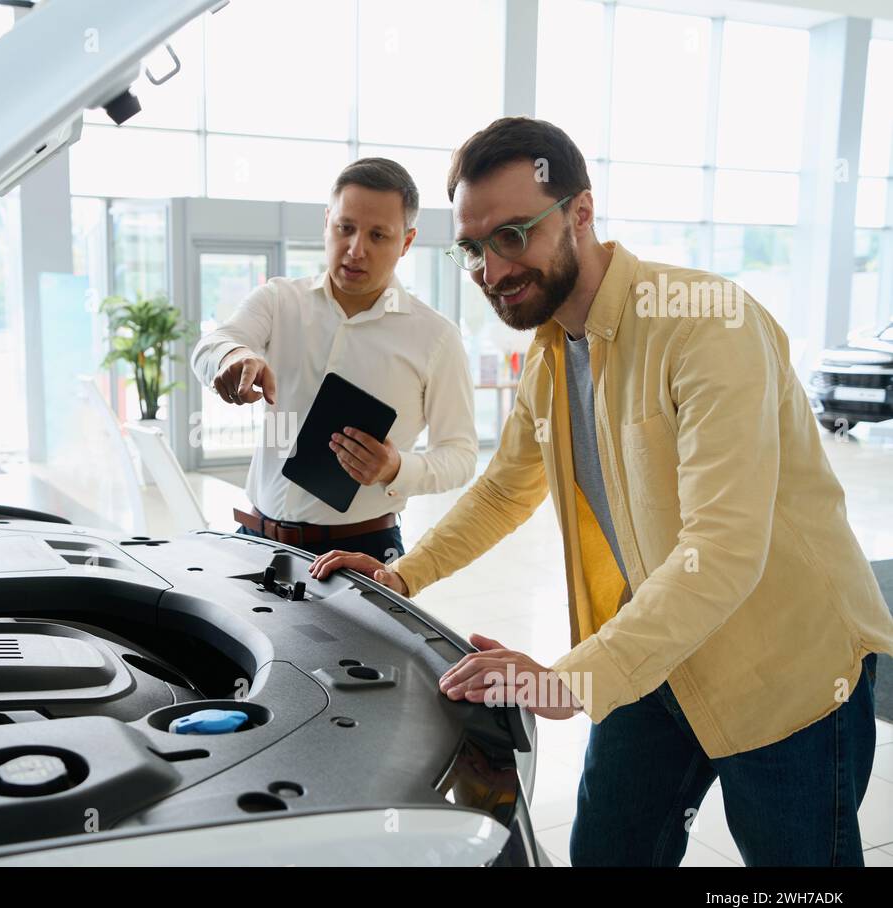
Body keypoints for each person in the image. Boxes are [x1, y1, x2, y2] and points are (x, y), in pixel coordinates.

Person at [310, 117, 893, 866]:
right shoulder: (552, 354)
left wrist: (568, 680)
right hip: (650, 653)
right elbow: (502, 492)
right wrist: (399, 576)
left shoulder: (705, 328)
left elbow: (722, 551)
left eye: (513, 234)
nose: (491, 269)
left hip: (786, 670)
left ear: (580, 213)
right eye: (474, 248)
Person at [190, 157, 477, 561]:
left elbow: (461, 455)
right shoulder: (279, 301)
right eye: (345, 228)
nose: (356, 250)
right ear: (327, 223)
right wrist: (231, 355)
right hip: (254, 540)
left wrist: (397, 468)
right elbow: (212, 344)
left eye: (378, 235)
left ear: (407, 242)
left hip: (363, 549)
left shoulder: (436, 337)